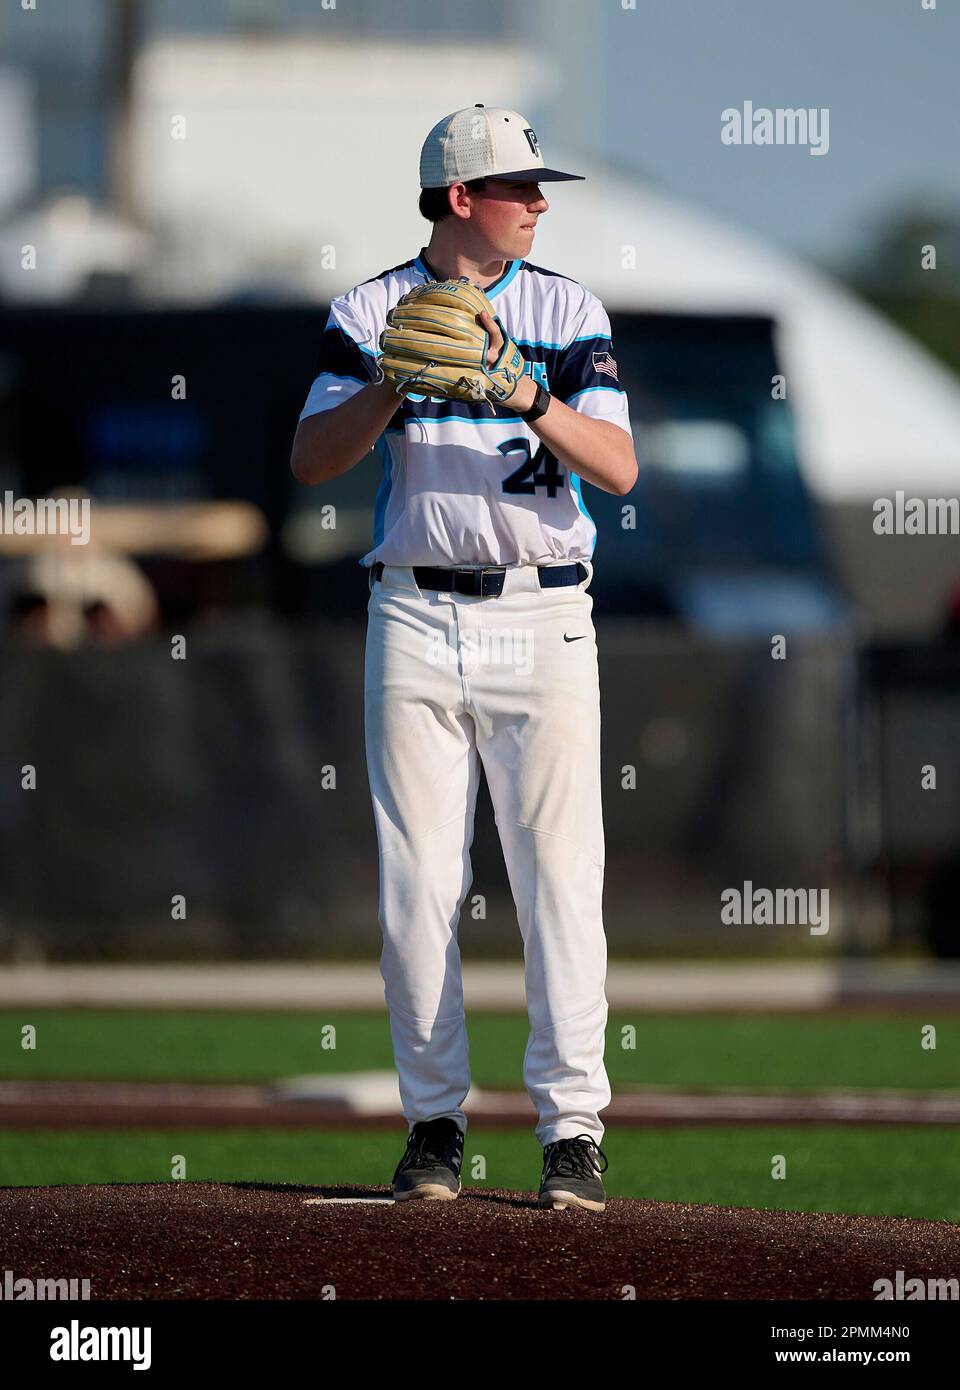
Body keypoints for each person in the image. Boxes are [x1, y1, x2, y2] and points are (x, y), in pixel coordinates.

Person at [291, 105, 637, 1212]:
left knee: (556, 885)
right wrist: (395, 382)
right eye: (519, 186)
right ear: (458, 200)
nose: (539, 203)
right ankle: (433, 1124)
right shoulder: (369, 309)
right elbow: (311, 460)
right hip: (413, 616)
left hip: (544, 615)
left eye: (540, 189)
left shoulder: (565, 307)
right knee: (419, 887)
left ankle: (571, 1130)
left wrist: (528, 391)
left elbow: (620, 468)